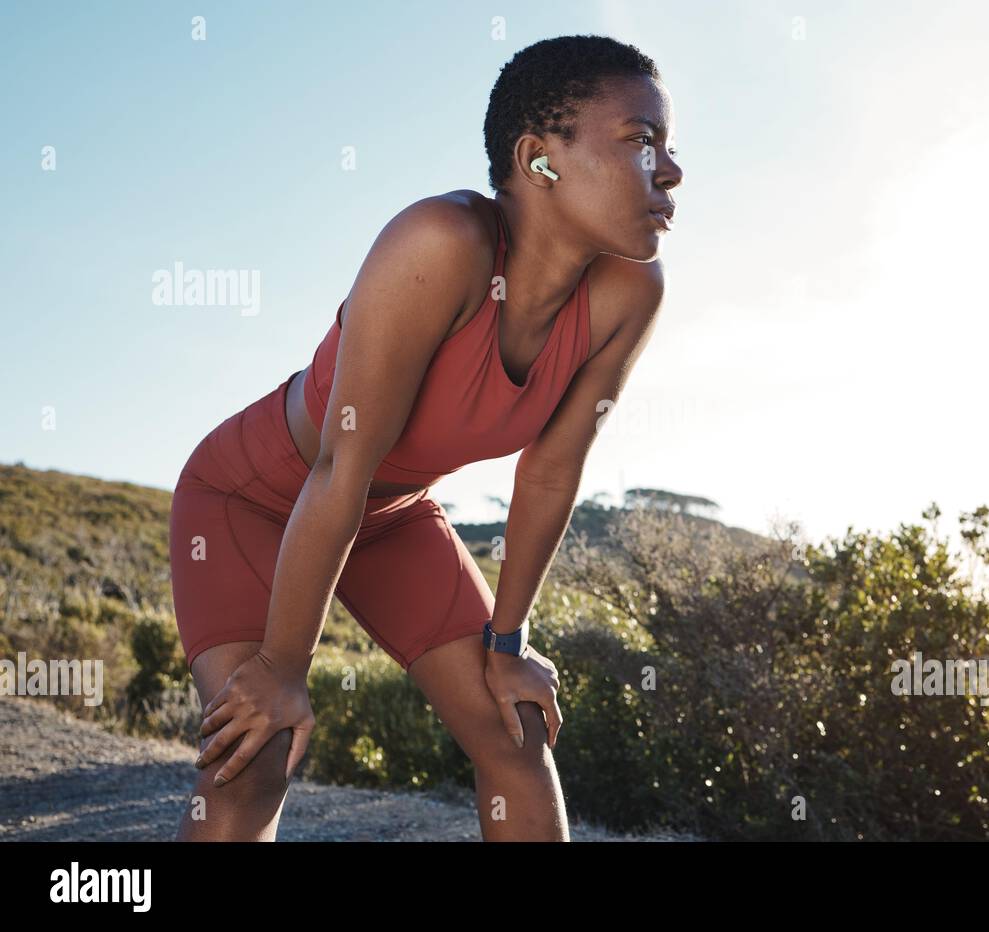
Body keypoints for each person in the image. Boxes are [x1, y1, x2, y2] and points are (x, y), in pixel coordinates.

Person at [167, 34, 682, 841]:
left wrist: (508, 643)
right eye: (641, 141)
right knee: (255, 749)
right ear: (540, 159)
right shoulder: (441, 243)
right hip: (253, 498)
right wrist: (281, 670)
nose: (672, 170)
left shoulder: (630, 290)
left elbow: (550, 473)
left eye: (670, 146)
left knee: (516, 726)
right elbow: (340, 463)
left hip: (392, 514)